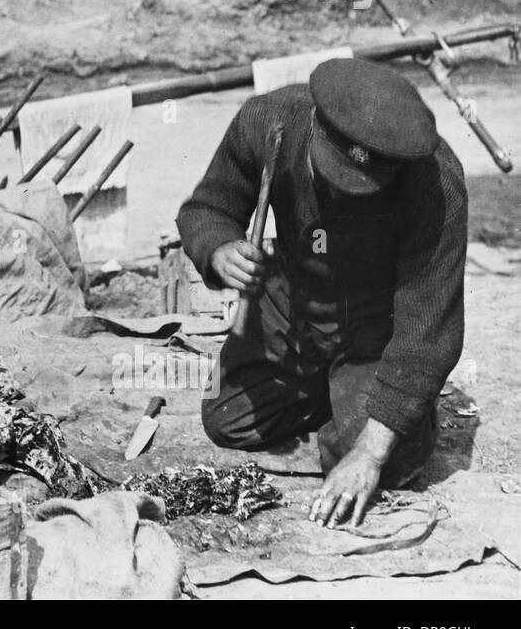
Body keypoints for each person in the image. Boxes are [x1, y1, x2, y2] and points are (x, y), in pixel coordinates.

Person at [177, 59, 466, 527]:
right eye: (335, 179)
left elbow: (429, 331)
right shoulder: (268, 121)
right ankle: (336, 389)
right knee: (226, 418)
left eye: (364, 189)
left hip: (377, 326)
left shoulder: (437, 186)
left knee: (385, 462)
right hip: (292, 297)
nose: (345, 196)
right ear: (314, 125)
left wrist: (369, 452)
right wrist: (218, 249)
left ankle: (394, 405)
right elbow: (207, 207)